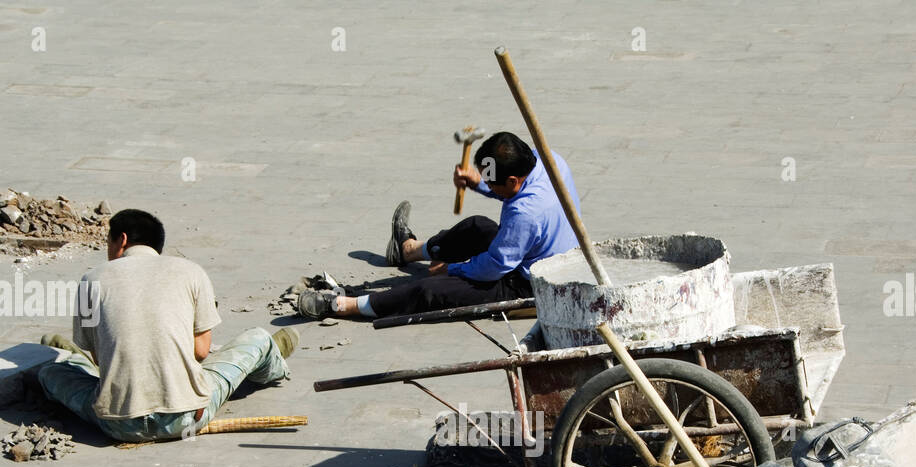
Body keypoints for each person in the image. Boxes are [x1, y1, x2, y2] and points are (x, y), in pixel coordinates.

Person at [38, 209, 299, 443]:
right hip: (186, 418)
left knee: (51, 373)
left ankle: (73, 356)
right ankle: (269, 360)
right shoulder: (191, 271)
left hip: (116, 424)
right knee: (258, 338)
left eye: (109, 241)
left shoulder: (91, 279)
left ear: (123, 240)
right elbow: (201, 352)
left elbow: (100, 360)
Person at [297, 131, 579, 320]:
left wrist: (453, 268)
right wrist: (478, 183)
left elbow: (495, 265)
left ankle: (346, 306)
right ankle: (408, 251)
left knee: (431, 290)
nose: (489, 185)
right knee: (477, 226)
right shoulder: (549, 160)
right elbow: (507, 189)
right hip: (535, 250)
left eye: (492, 181)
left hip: (530, 284)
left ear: (513, 180)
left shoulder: (524, 213)